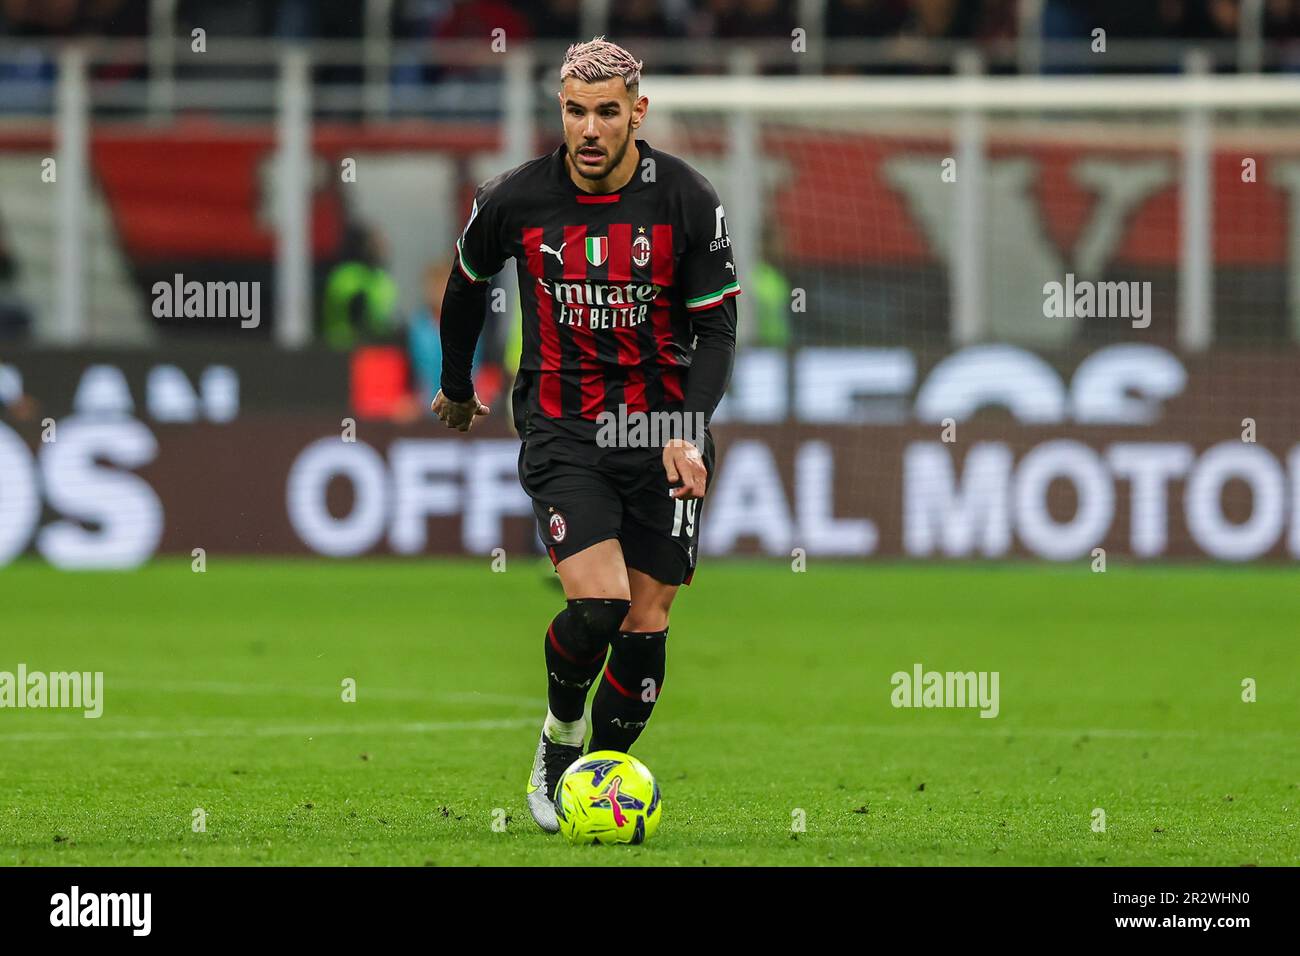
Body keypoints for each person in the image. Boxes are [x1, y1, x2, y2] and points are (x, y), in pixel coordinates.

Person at [432, 36, 740, 834]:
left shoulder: (687, 198)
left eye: (608, 111)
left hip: (663, 426)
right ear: (559, 112)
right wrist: (458, 386)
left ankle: (600, 776)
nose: (591, 128)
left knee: (646, 622)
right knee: (599, 607)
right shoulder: (515, 198)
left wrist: (687, 430)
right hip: (563, 426)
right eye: (576, 111)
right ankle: (560, 739)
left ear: (638, 111)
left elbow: (718, 333)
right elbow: (466, 286)